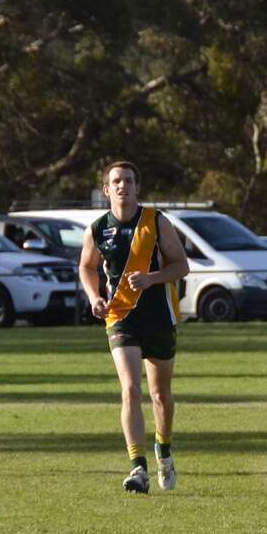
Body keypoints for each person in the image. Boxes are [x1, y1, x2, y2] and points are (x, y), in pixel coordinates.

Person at [77, 160, 190, 494]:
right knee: (130, 389)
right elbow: (87, 266)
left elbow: (181, 266)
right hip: (121, 316)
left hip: (159, 317)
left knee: (160, 395)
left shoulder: (156, 221)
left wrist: (152, 278)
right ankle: (137, 467)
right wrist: (94, 297)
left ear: (137, 187)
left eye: (128, 180)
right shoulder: (97, 229)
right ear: (106, 189)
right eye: (116, 181)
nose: (122, 186)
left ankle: (163, 450)